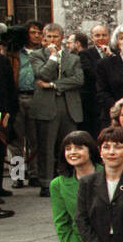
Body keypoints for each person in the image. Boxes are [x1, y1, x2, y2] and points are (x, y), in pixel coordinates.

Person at [30, 25, 85, 193]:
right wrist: (53, 58)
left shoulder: (73, 58)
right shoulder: (37, 56)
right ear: (44, 38)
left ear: (62, 38)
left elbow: (78, 79)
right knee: (46, 145)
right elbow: (43, 74)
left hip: (68, 106)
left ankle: (69, 178)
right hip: (46, 106)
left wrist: (53, 85)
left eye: (55, 37)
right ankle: (46, 182)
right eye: (48, 37)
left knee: (69, 144)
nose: (52, 40)